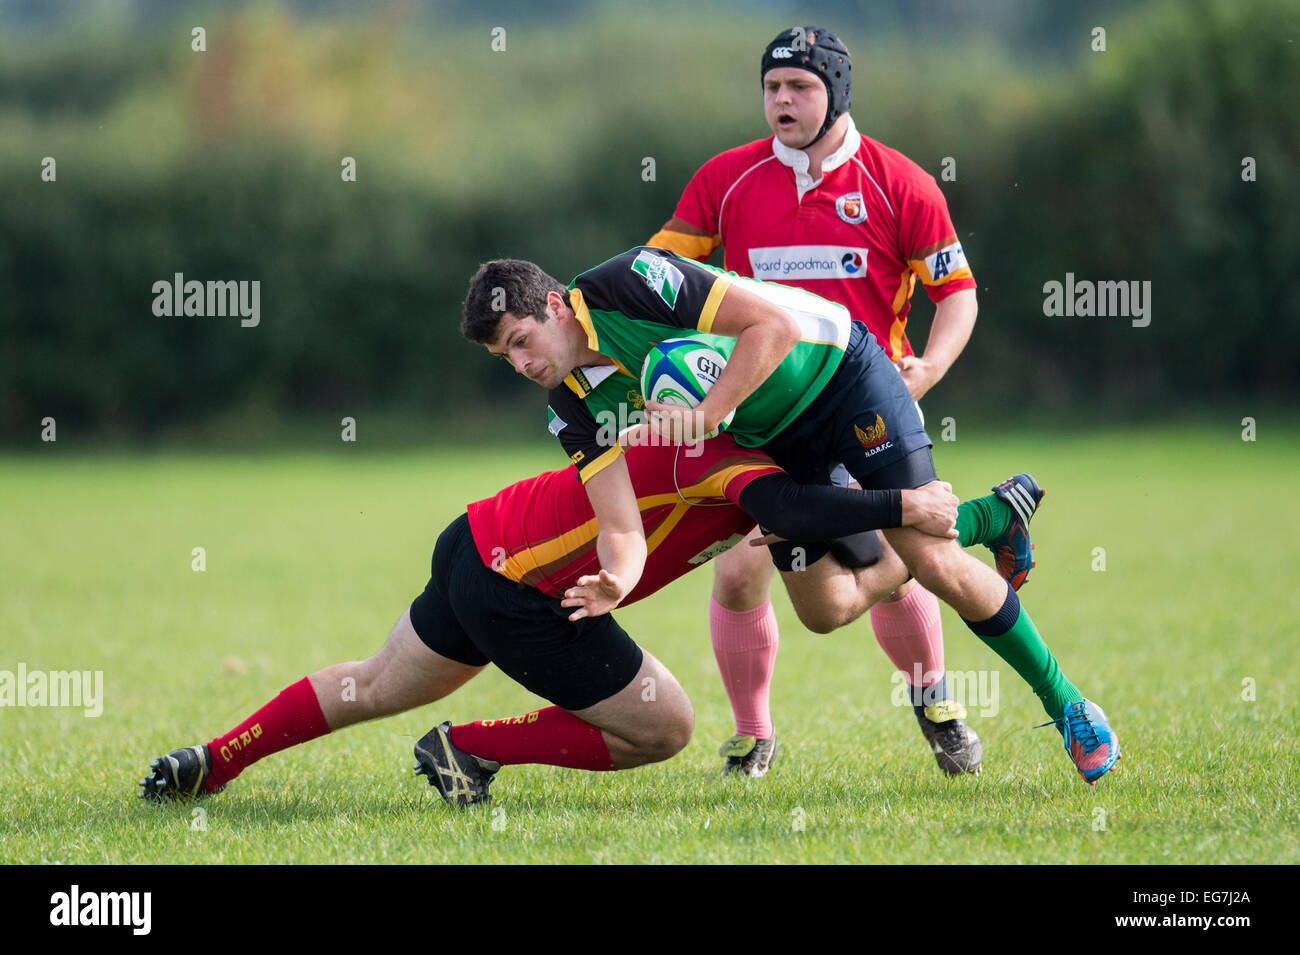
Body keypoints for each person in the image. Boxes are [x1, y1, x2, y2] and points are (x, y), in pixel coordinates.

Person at [459, 246, 1121, 785]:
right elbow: (623, 524)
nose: (522, 363)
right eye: (503, 358)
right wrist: (617, 578)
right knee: (825, 608)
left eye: (522, 341)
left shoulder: (630, 282)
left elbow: (773, 326)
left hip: (838, 376)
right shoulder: (571, 406)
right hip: (768, 434)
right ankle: (986, 515)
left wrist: (710, 412)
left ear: (553, 306)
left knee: (931, 558)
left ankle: (1068, 705)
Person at [136, 433, 969, 807]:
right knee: (667, 725)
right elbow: (800, 519)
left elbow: (807, 530)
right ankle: (469, 748)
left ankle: (210, 762)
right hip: (527, 593)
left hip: (475, 539)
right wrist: (929, 510)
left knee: (373, 683)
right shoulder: (739, 459)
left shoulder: (701, 425)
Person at [644, 25, 987, 778]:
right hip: (757, 415)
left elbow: (956, 295)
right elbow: (657, 273)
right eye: (771, 88)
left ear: (836, 92)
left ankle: (933, 700)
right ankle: (751, 738)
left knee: (898, 562)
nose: (782, 102)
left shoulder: (900, 183)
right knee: (738, 572)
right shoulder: (726, 180)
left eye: (798, 87)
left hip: (864, 413)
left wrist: (927, 366)